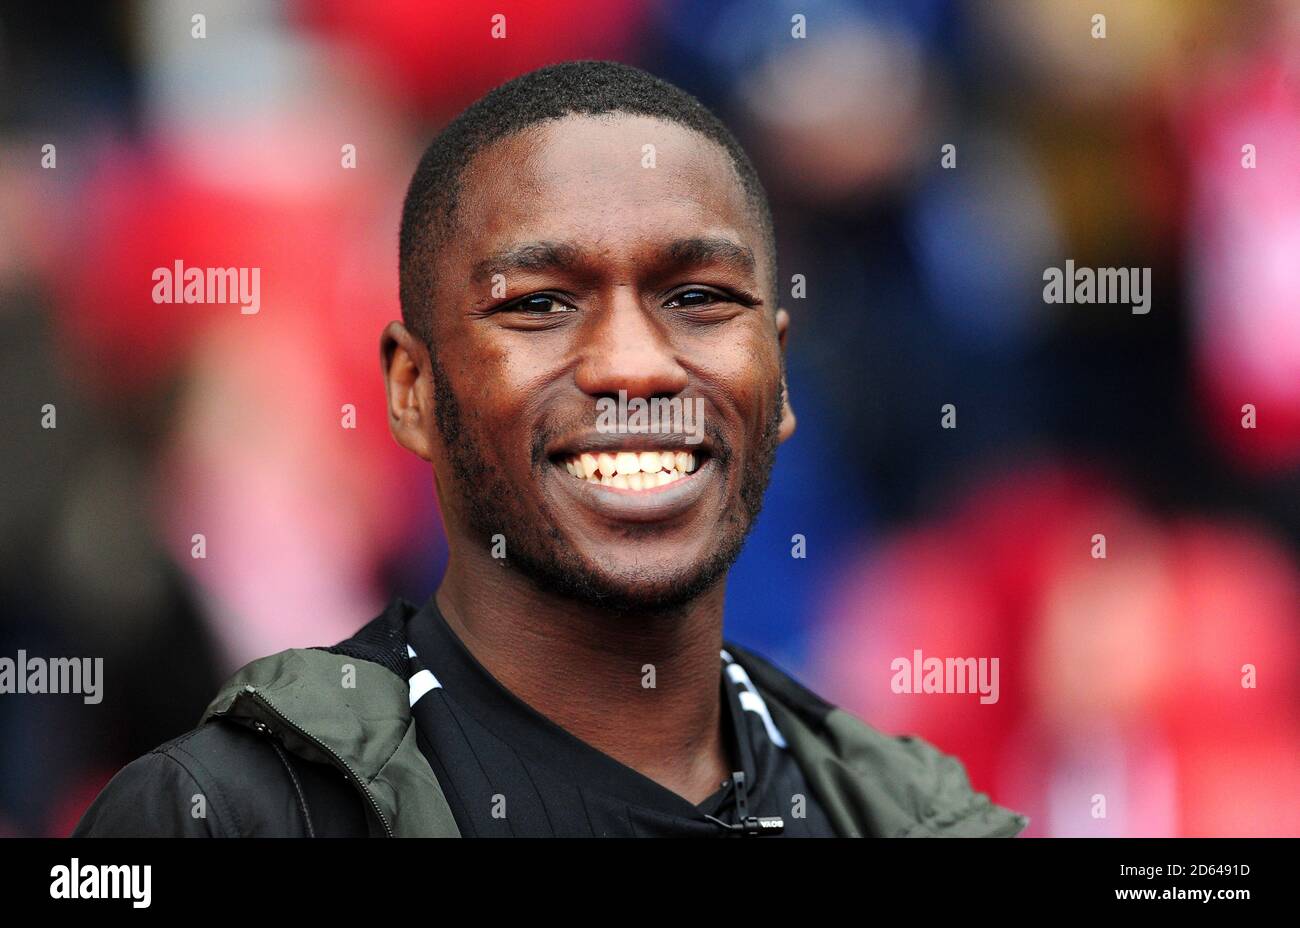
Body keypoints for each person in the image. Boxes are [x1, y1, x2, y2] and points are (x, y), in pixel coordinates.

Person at [73, 60, 1027, 838]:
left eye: (698, 298)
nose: (634, 368)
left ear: (777, 376)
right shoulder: (225, 820)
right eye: (538, 304)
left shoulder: (921, 821)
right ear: (412, 389)